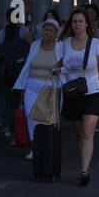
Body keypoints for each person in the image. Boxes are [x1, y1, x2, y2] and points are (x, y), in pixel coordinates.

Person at [59, 8, 99, 185]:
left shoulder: (96, 44)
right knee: (79, 134)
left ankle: (84, 170)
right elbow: (57, 63)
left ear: (87, 24)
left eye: (80, 21)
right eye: (74, 21)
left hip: (93, 92)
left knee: (87, 132)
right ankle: (85, 163)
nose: (77, 24)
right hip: (72, 94)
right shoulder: (64, 43)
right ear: (71, 24)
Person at [11, 16, 64, 161]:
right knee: (31, 116)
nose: (47, 33)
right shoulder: (35, 45)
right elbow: (28, 66)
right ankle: (35, 149)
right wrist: (22, 88)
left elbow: (65, 66)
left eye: (51, 30)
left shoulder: (61, 47)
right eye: (45, 30)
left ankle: (48, 148)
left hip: (51, 87)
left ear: (55, 33)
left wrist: (61, 70)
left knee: (49, 119)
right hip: (32, 86)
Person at [0, 7, 33, 142]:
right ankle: (26, 132)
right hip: (23, 72)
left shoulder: (0, 34)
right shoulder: (24, 31)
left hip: (8, 73)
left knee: (10, 104)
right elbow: (33, 48)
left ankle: (12, 134)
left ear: (6, 19)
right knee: (25, 102)